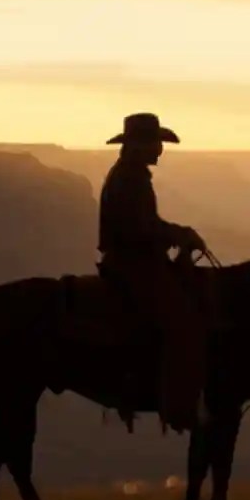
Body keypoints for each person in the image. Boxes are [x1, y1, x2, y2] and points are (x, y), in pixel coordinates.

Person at [97, 112, 208, 432]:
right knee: (182, 322)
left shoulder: (128, 175)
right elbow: (141, 228)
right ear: (140, 145)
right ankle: (178, 407)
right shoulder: (131, 178)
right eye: (155, 143)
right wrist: (180, 234)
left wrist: (175, 233)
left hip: (131, 259)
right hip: (133, 264)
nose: (160, 149)